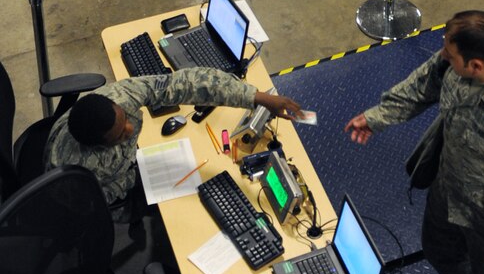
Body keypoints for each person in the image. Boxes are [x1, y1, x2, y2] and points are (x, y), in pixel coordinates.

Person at [344, 10, 484, 274]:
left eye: (450, 52)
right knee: (440, 253)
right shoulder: (454, 66)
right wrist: (377, 117)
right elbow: (420, 87)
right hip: (448, 194)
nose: (442, 54)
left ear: (476, 66)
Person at [46, 68, 302, 206]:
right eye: (120, 136)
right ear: (99, 146)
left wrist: (258, 98)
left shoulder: (122, 96)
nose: (131, 130)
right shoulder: (73, 171)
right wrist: (132, 178)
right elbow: (91, 207)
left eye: (125, 120)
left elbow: (186, 83)